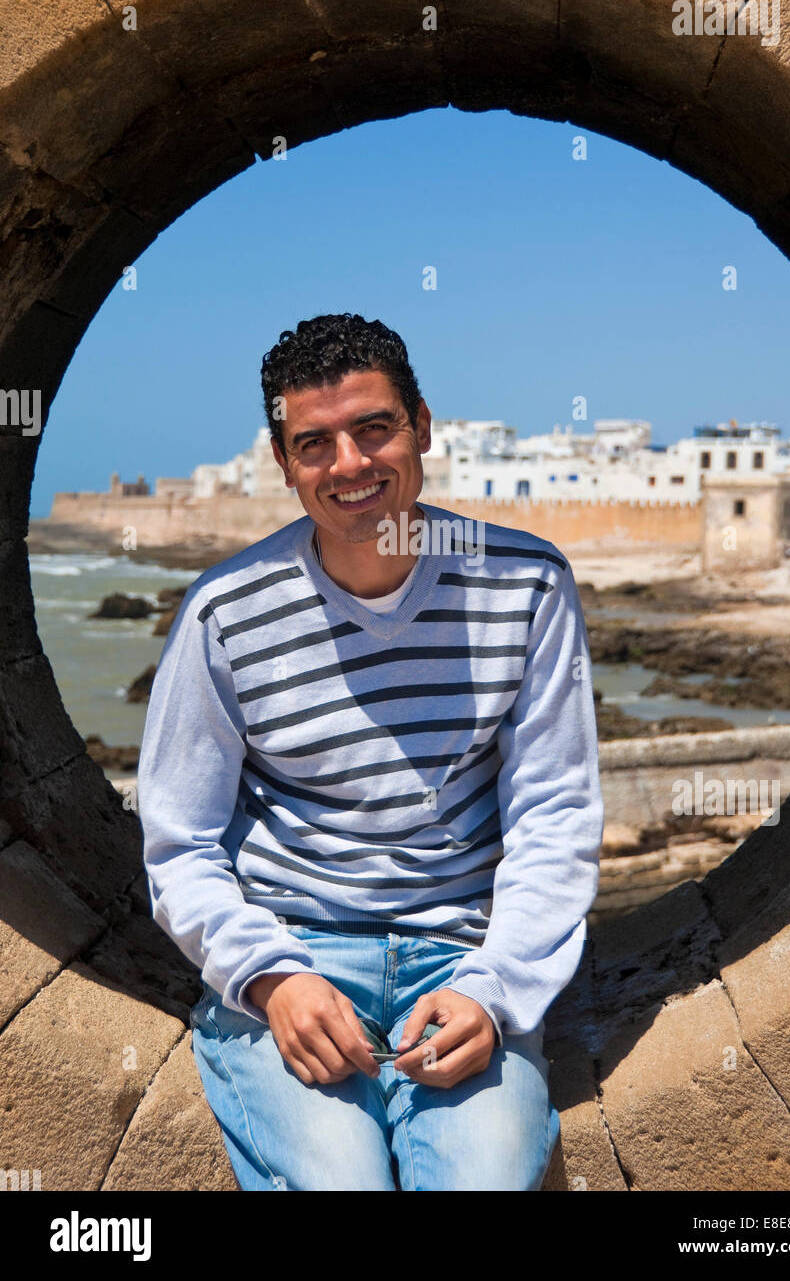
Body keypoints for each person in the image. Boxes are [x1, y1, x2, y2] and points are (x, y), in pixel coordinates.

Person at [137, 312, 604, 1191]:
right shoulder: (224, 612)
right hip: (297, 947)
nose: (348, 464)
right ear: (282, 463)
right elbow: (179, 841)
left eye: (373, 429)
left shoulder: (524, 582)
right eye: (313, 444)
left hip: (461, 956)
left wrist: (494, 988)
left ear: (422, 427)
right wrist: (271, 979)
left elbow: (555, 812)